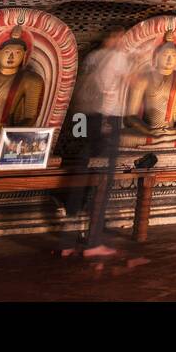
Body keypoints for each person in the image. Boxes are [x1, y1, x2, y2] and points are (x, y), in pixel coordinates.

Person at [60, 28, 132, 258]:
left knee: (79, 174)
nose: (122, 40)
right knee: (104, 179)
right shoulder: (116, 57)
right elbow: (111, 87)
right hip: (104, 119)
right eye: (120, 36)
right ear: (112, 37)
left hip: (82, 119)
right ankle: (93, 243)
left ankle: (68, 241)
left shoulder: (92, 57)